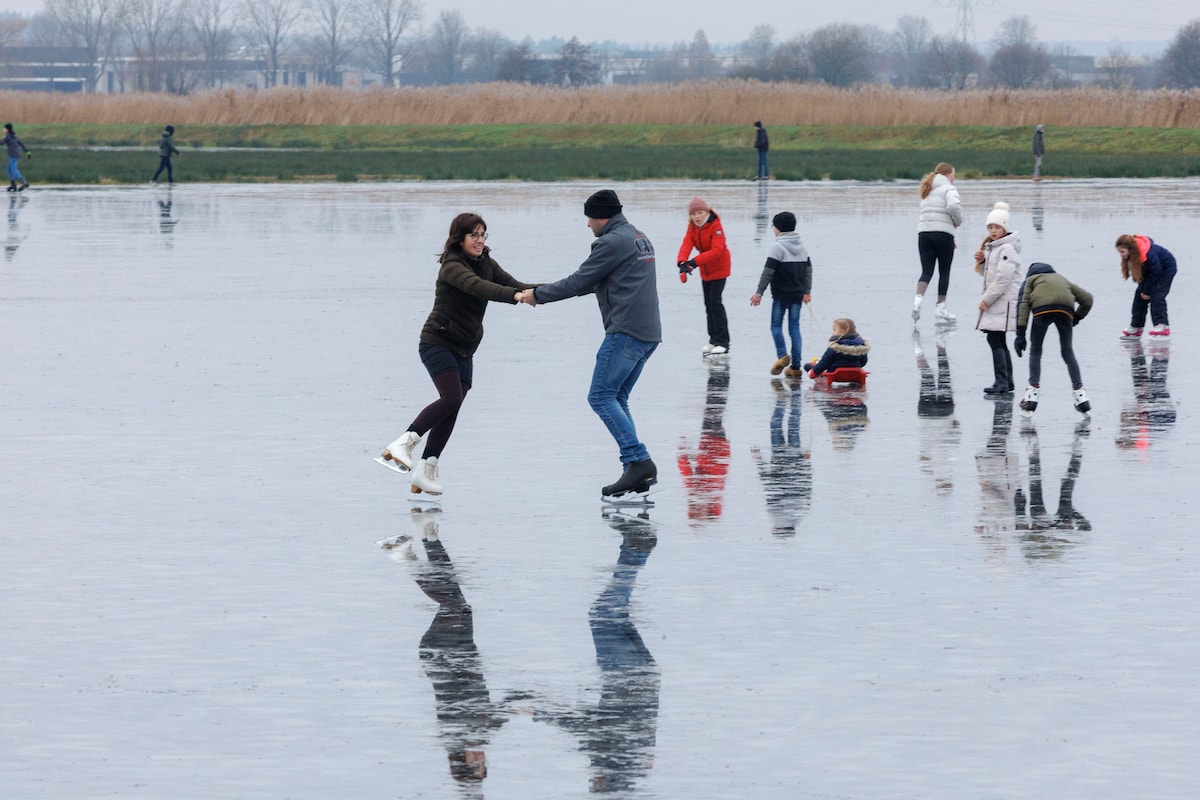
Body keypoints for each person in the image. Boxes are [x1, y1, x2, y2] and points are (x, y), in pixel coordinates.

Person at [516, 189, 662, 501]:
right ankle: (635, 469)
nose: (587, 224)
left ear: (601, 216)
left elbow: (581, 280)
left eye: (589, 218)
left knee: (600, 396)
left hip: (625, 332)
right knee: (617, 397)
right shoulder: (638, 237)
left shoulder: (611, 242)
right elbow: (598, 279)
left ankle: (639, 461)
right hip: (648, 333)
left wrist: (538, 295)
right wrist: (541, 289)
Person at [379, 212, 538, 496]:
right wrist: (515, 296)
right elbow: (480, 287)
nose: (480, 240)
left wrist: (568, 287)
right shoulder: (451, 267)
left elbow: (516, 285)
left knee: (454, 404)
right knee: (451, 397)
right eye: (473, 235)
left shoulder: (486, 263)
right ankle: (403, 443)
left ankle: (426, 469)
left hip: (465, 348)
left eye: (483, 235)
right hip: (437, 342)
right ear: (459, 238)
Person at [1014, 262, 1093, 416]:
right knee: (1067, 352)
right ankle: (1081, 397)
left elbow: (1023, 305)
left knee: (1036, 351)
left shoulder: (1030, 280)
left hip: (1041, 310)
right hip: (1065, 309)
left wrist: (1020, 334)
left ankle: (1031, 398)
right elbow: (1088, 299)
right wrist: (1076, 317)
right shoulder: (1061, 279)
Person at [750, 211, 811, 378]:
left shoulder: (777, 247)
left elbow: (768, 272)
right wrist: (807, 291)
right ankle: (796, 366)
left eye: (773, 226)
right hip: (797, 295)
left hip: (780, 295)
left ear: (778, 228)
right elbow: (808, 271)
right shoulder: (803, 247)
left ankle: (782, 356)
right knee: (794, 327)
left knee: (776, 326)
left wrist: (759, 292)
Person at [973, 201, 1023, 395]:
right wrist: (983, 262)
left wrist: (986, 300)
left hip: (1003, 302)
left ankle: (1002, 382)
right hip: (998, 301)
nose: (993, 231)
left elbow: (1003, 280)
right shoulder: (995, 248)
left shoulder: (1006, 249)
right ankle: (1006, 381)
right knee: (997, 339)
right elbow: (990, 275)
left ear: (1004, 228)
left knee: (995, 339)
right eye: (990, 227)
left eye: (997, 227)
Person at [676, 196, 731, 356]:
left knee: (715, 303)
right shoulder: (693, 227)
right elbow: (687, 243)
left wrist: (693, 263)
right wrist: (682, 262)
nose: (697, 217)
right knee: (708, 304)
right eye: (694, 214)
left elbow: (716, 251)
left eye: (700, 213)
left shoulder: (716, 226)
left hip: (719, 268)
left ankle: (723, 342)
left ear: (706, 212)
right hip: (705, 270)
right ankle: (713, 339)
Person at [913, 162, 963, 324]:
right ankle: (941, 308)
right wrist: (957, 222)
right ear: (948, 175)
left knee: (926, 271)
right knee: (944, 271)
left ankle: (917, 301)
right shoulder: (949, 189)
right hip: (943, 235)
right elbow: (953, 206)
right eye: (953, 175)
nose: (954, 178)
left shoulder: (927, 190)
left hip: (924, 235)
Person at [1116, 234, 1177, 338]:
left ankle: (1162, 325)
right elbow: (1143, 274)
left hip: (1166, 269)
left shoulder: (1149, 254)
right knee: (1139, 295)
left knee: (1156, 295)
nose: (1121, 255)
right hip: (1152, 271)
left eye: (1122, 252)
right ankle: (1136, 326)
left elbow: (1156, 272)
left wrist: (1147, 291)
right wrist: (1143, 290)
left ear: (1130, 249)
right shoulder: (1134, 254)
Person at [3, 123, 31, 192]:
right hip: (15, 154)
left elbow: (1, 143)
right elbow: (21, 144)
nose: (3, 129)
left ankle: (24, 182)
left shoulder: (8, 136)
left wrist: (27, 152)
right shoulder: (14, 136)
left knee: (14, 170)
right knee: (9, 169)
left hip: (14, 155)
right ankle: (13, 185)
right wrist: (27, 152)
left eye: (4, 128)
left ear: (7, 129)